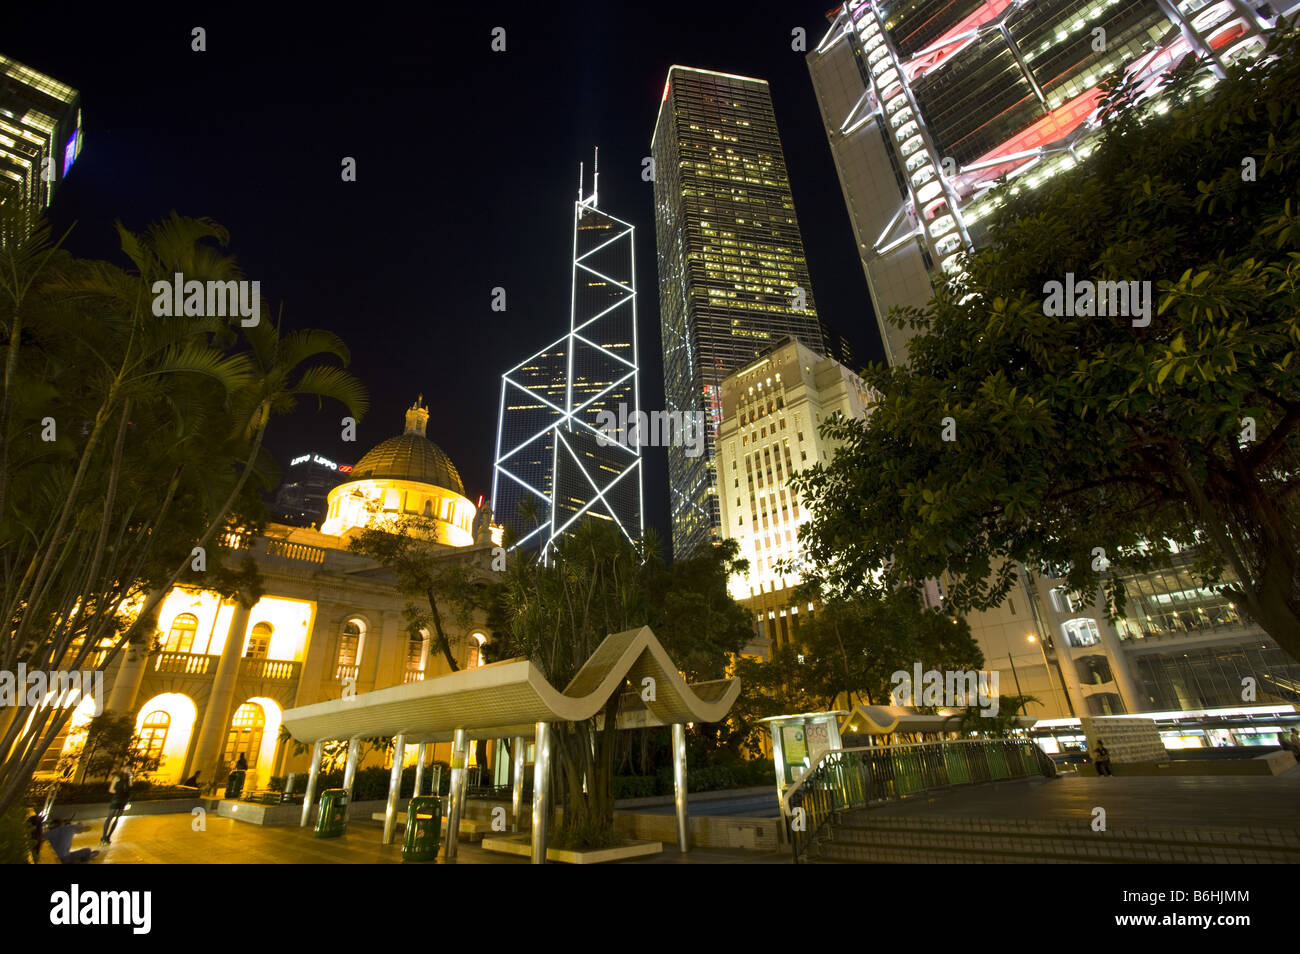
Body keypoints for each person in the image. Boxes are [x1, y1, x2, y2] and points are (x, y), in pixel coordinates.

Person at [101, 769, 131, 844]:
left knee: (117, 818)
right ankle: (104, 836)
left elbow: (130, 788)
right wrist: (119, 793)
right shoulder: (117, 778)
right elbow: (111, 790)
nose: (127, 770)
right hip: (116, 799)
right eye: (127, 769)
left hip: (123, 801)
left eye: (129, 769)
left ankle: (108, 837)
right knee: (110, 818)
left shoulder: (128, 779)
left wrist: (131, 778)